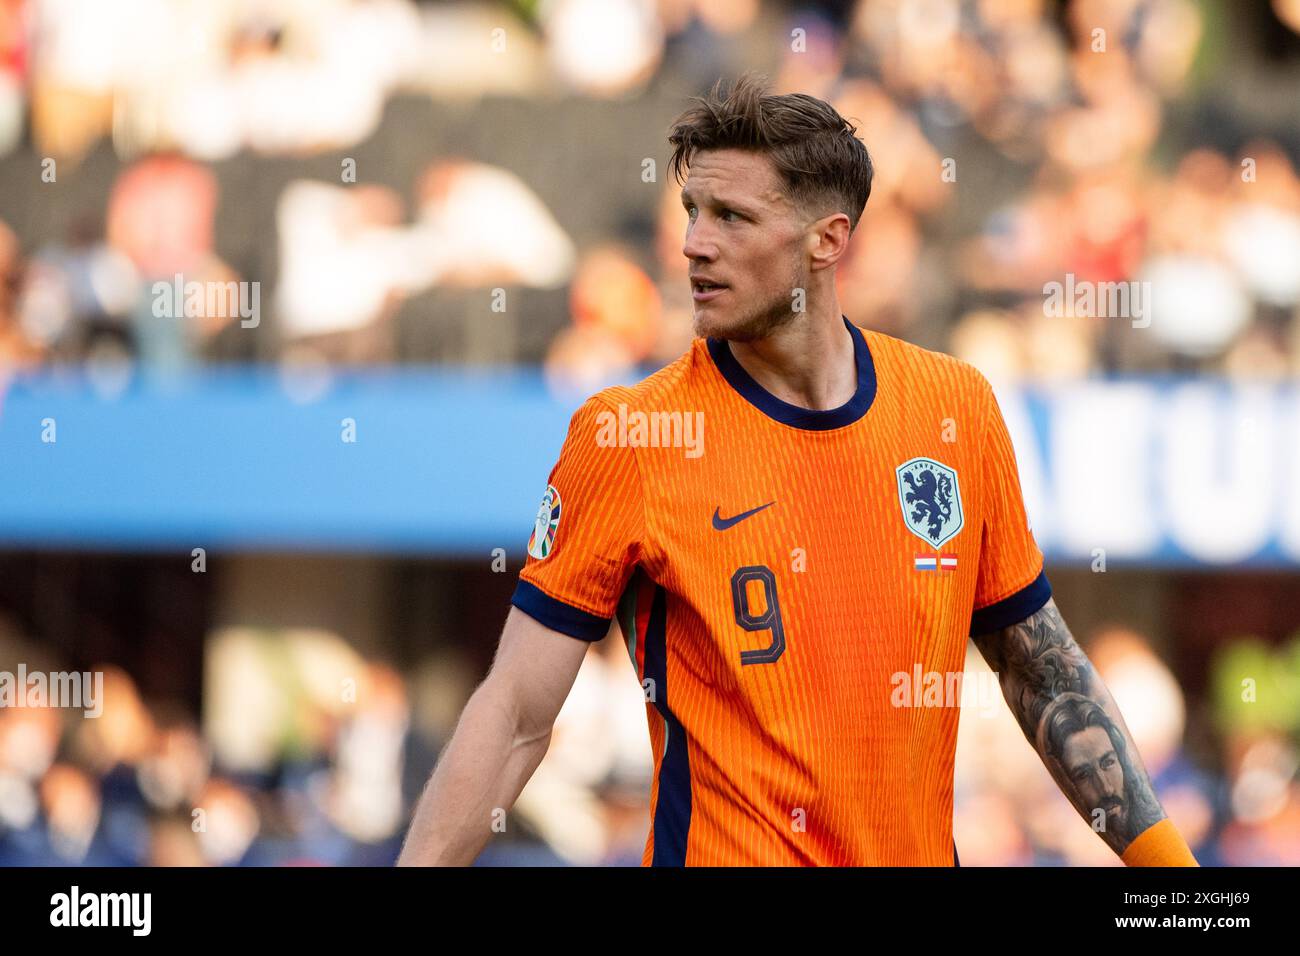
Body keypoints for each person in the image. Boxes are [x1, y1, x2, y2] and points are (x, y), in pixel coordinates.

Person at [398, 73, 1196, 867]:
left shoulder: (956, 410)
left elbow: (1044, 675)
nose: (694, 244)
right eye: (692, 212)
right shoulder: (629, 435)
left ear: (828, 240)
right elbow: (512, 717)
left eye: (733, 217)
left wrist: (1178, 882)